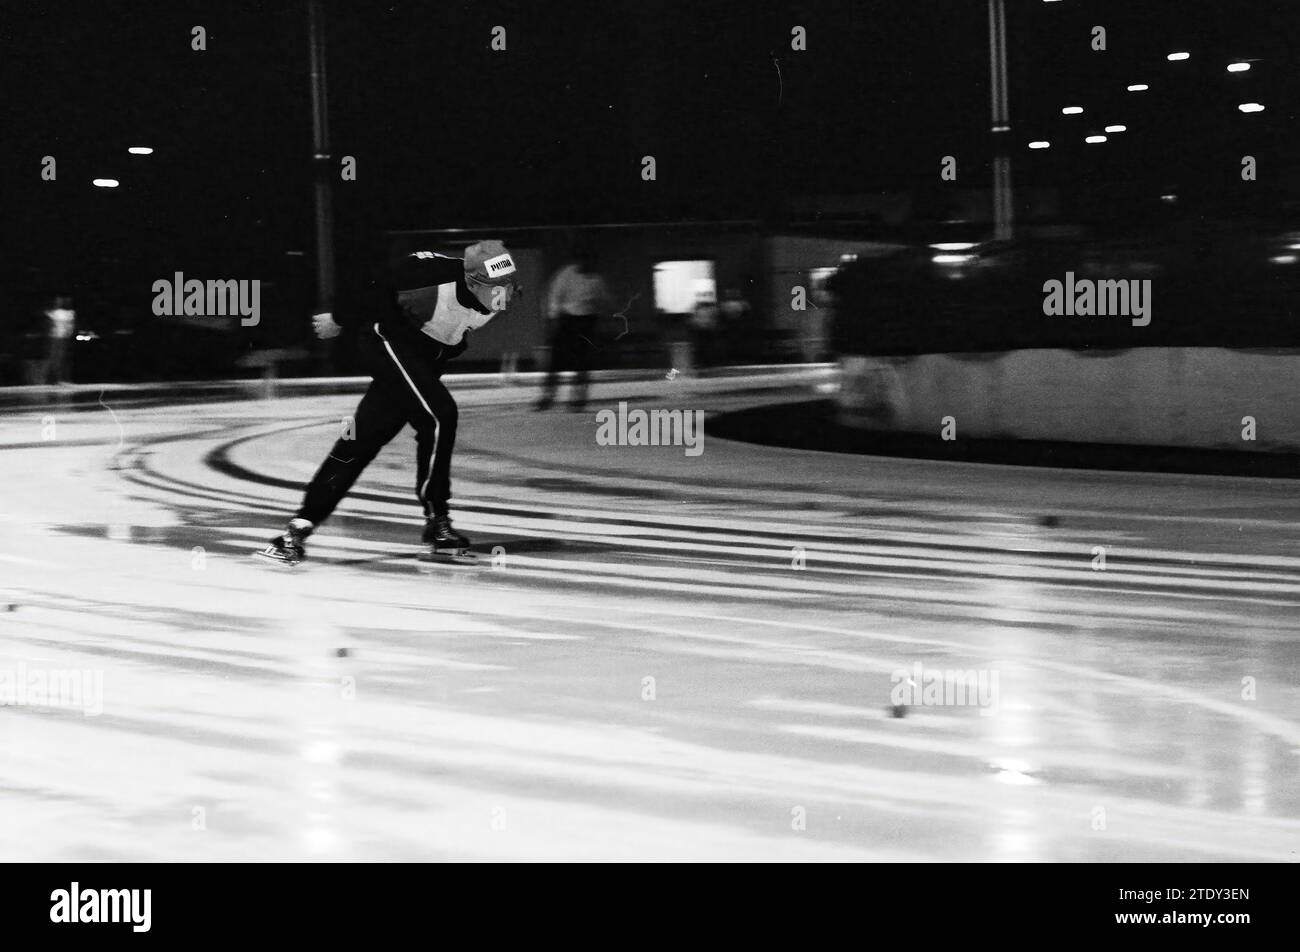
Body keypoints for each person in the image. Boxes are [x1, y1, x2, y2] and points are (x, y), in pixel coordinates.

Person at [259, 240, 522, 565]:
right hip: (387, 344)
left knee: (361, 439)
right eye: (497, 287)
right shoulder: (428, 274)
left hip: (420, 360)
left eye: (509, 285)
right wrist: (339, 319)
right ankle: (438, 521)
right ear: (471, 281)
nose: (505, 295)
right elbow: (374, 286)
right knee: (440, 416)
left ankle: (298, 528)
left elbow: (451, 334)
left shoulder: (496, 294)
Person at [535, 246, 612, 412]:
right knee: (556, 361)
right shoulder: (566, 275)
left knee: (583, 362)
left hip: (588, 321)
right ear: (579, 261)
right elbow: (554, 297)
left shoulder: (596, 279)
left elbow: (605, 300)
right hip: (568, 320)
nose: (588, 266)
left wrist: (599, 314)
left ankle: (578, 398)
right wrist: (554, 319)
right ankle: (548, 396)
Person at [45, 295, 76, 384]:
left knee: (63, 358)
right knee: (56, 358)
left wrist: (69, 332)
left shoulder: (69, 313)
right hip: (56, 337)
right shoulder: (55, 313)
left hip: (63, 338)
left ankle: (62, 379)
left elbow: (71, 326)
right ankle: (55, 379)